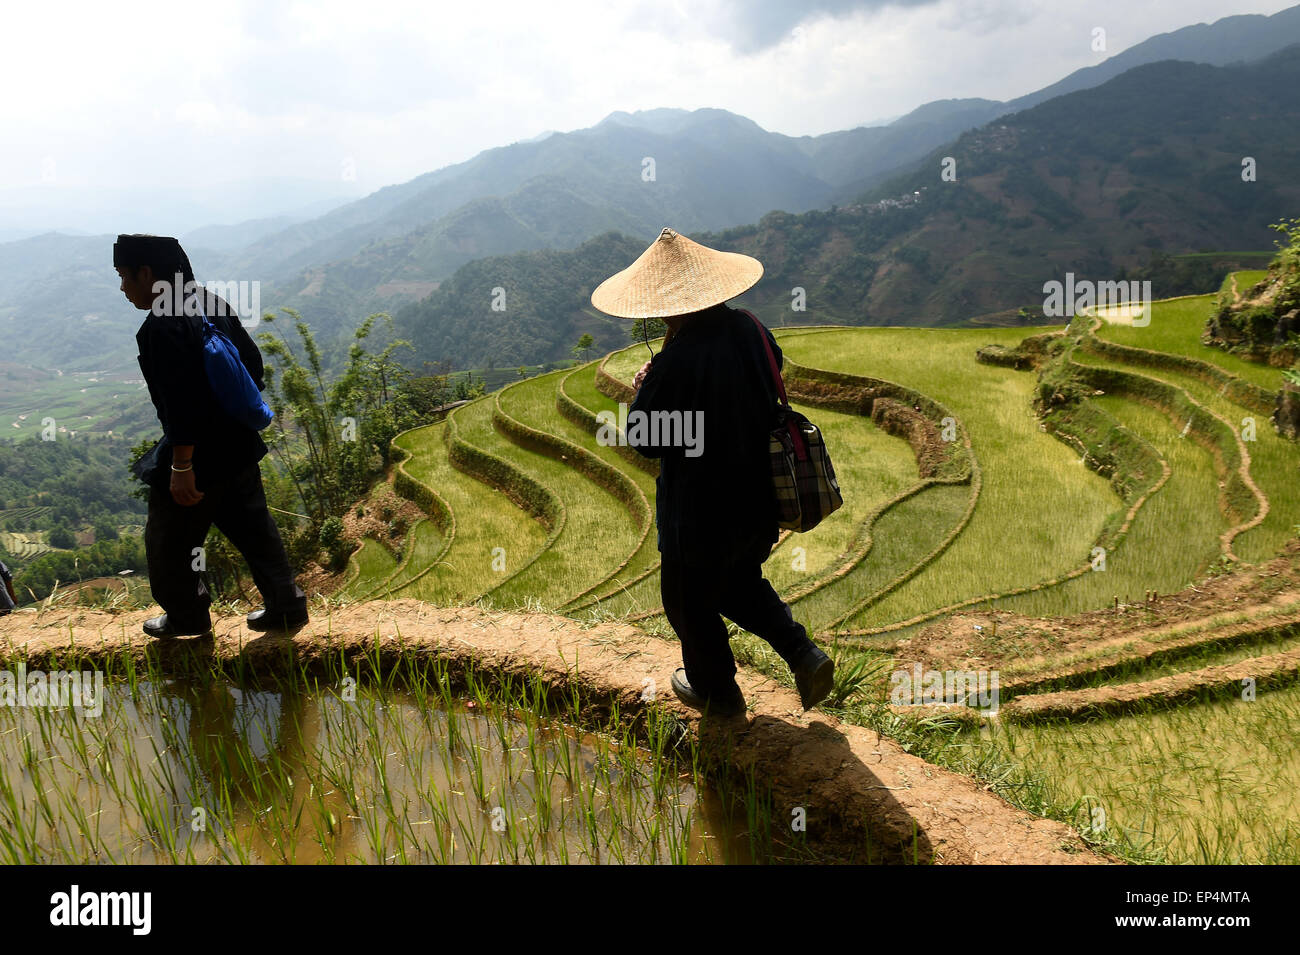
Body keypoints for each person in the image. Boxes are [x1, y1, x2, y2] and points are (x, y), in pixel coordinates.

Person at [590, 227, 833, 717]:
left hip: (700, 511)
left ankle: (715, 691)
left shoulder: (678, 359)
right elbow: (762, 380)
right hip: (758, 498)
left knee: (686, 600)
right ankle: (804, 654)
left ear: (670, 304)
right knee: (736, 581)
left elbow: (647, 437)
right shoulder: (751, 328)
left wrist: (645, 387)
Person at [114, 234, 308, 637]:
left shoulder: (162, 326)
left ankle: (187, 616)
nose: (123, 288)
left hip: (197, 456)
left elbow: (180, 404)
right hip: (237, 446)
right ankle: (286, 605)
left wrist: (181, 465)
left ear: (146, 273)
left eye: (124, 277)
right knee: (255, 530)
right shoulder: (211, 302)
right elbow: (252, 367)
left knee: (168, 540)